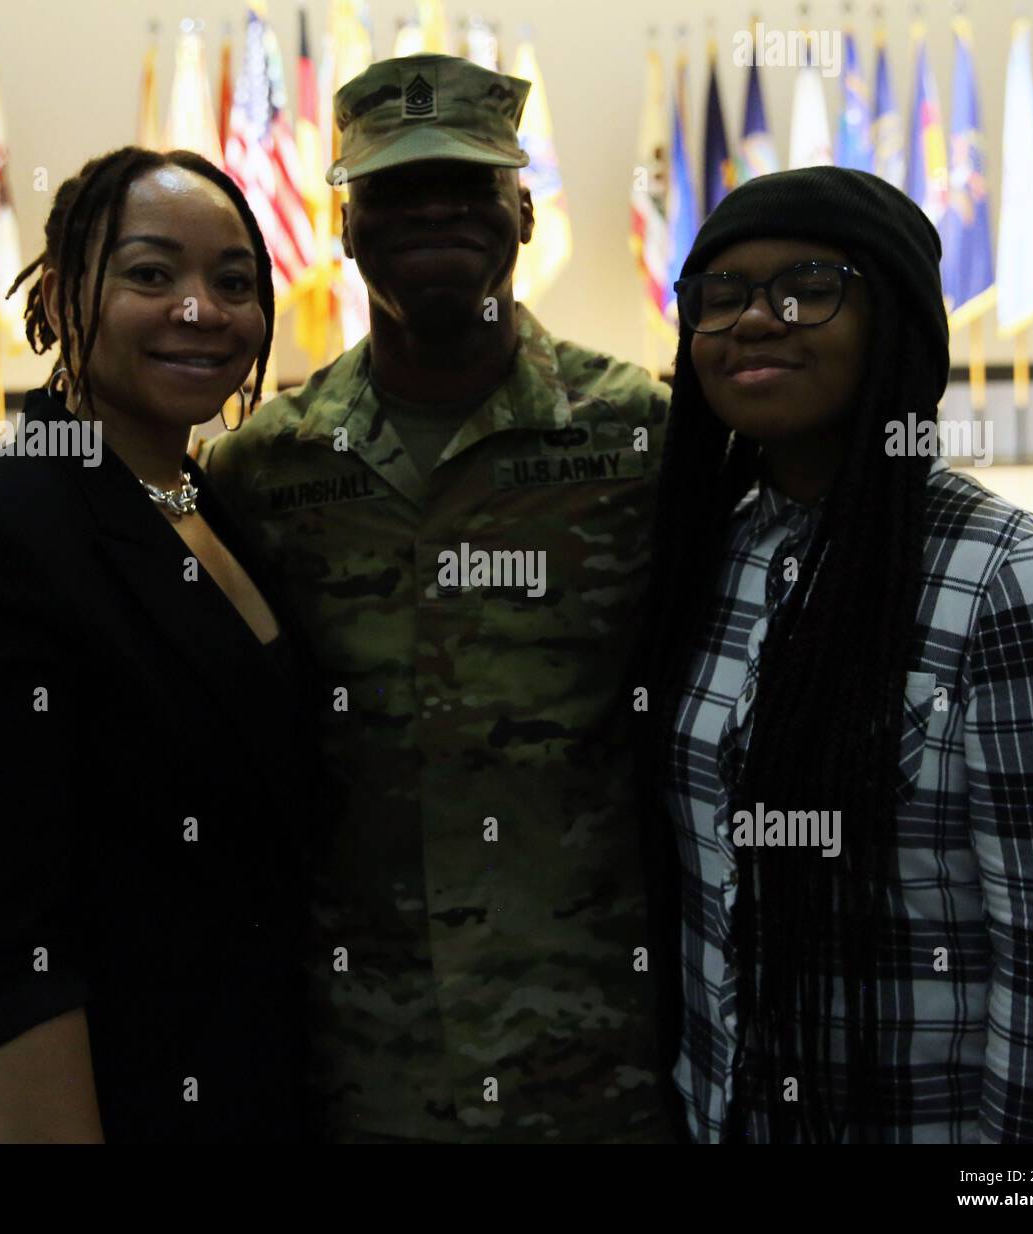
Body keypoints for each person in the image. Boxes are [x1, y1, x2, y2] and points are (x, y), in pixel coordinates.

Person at [202, 54, 680, 1143]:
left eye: (464, 188)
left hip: (593, 1039)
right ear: (343, 227)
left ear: (520, 208)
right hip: (363, 1047)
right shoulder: (268, 465)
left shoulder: (640, 435)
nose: (431, 214)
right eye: (393, 193)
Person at [640, 166, 1033, 1143]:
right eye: (718, 296)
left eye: (807, 288)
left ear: (893, 323)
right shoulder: (705, 552)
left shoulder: (1006, 575)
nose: (753, 321)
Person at [0, 146, 316, 1143]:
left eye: (233, 281)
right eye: (150, 273)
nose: (200, 309)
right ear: (65, 296)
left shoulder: (215, 507)